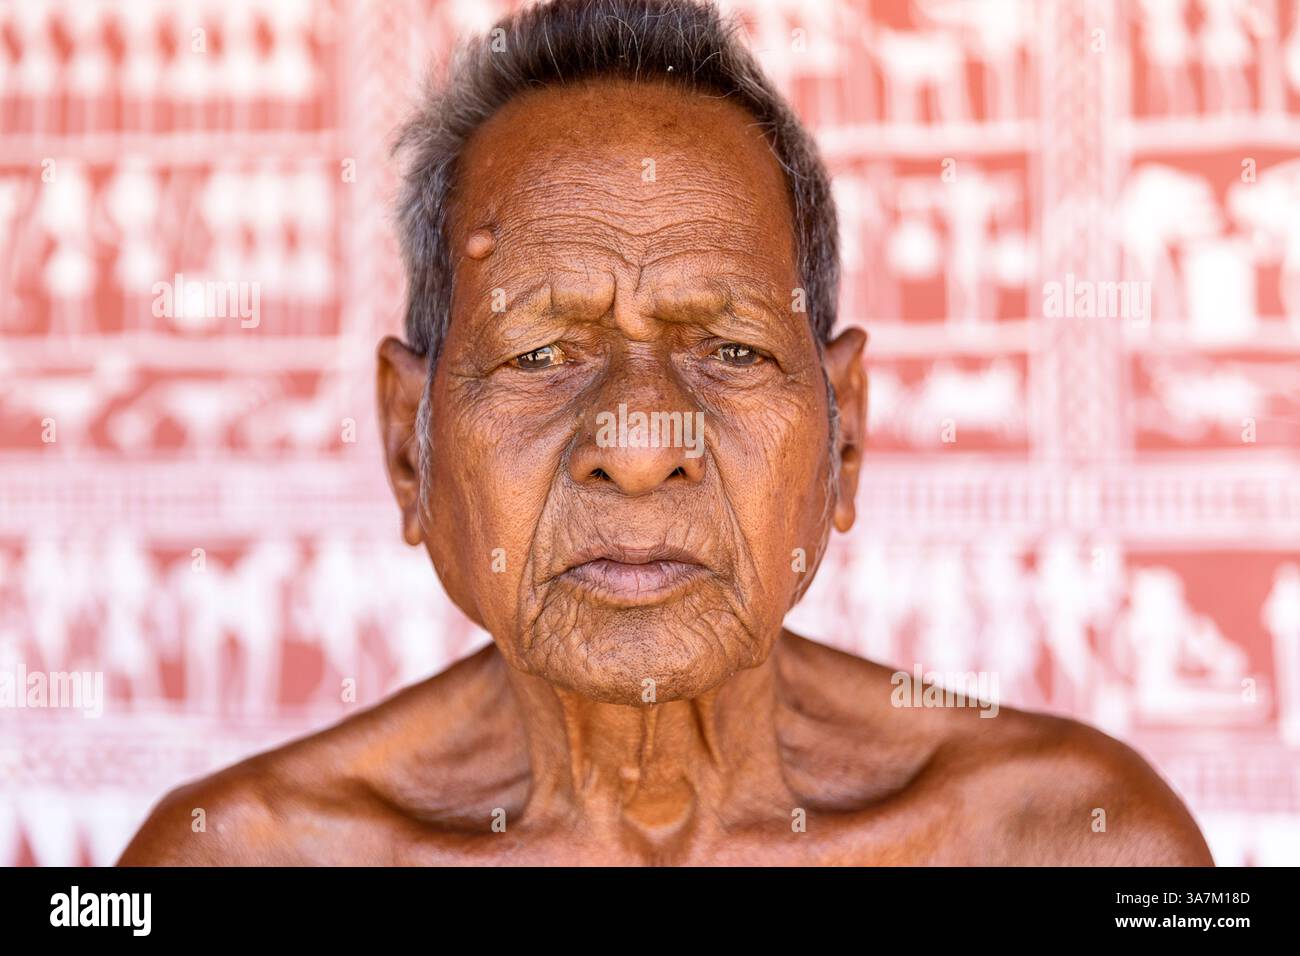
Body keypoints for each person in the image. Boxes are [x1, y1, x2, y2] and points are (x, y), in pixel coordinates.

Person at [119, 0, 1211, 866]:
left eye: (729, 349)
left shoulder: (1071, 842)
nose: (639, 443)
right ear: (410, 444)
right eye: (542, 354)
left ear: (845, 438)